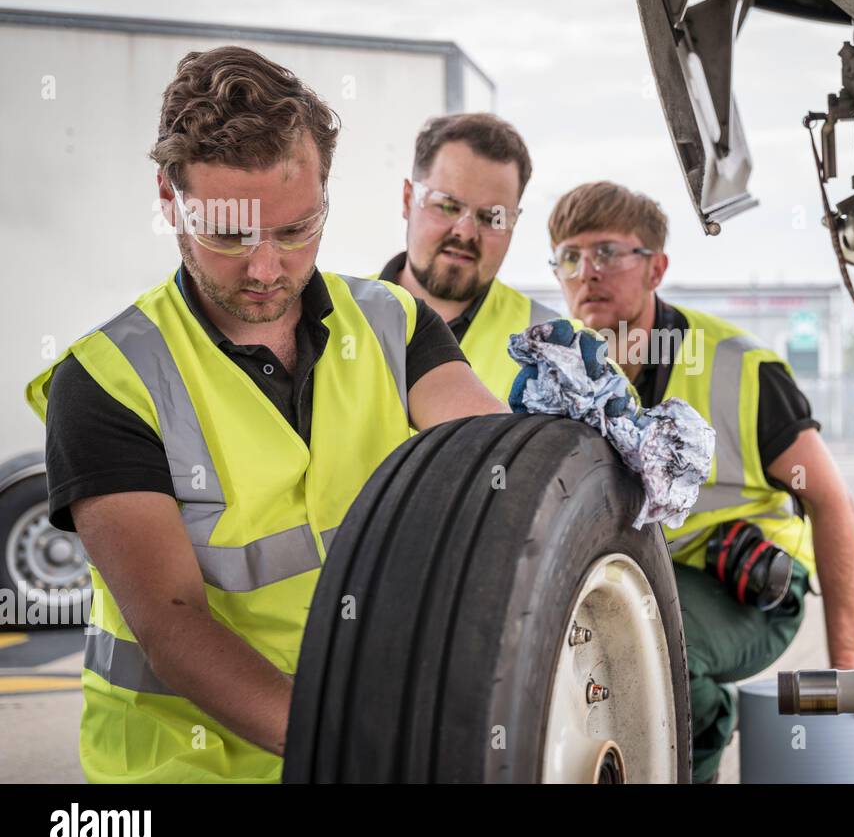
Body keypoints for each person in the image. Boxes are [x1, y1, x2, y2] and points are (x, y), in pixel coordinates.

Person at [24, 46, 504, 783]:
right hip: (183, 758)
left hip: (355, 720)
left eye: (295, 230)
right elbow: (170, 623)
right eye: (226, 234)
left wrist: (575, 454)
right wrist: (345, 746)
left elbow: (489, 461)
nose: (264, 269)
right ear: (168, 196)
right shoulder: (106, 381)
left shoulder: (394, 322)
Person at [548, 181, 854, 783]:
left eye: (608, 253)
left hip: (749, 584)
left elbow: (830, 501)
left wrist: (849, 660)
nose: (587, 272)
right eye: (570, 257)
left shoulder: (737, 366)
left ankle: (698, 745)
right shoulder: (558, 374)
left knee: (656, 650)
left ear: (657, 268)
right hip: (640, 577)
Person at [377, 113, 559, 400]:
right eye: (448, 206)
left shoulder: (557, 346)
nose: (466, 232)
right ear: (407, 200)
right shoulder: (329, 318)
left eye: (492, 217)